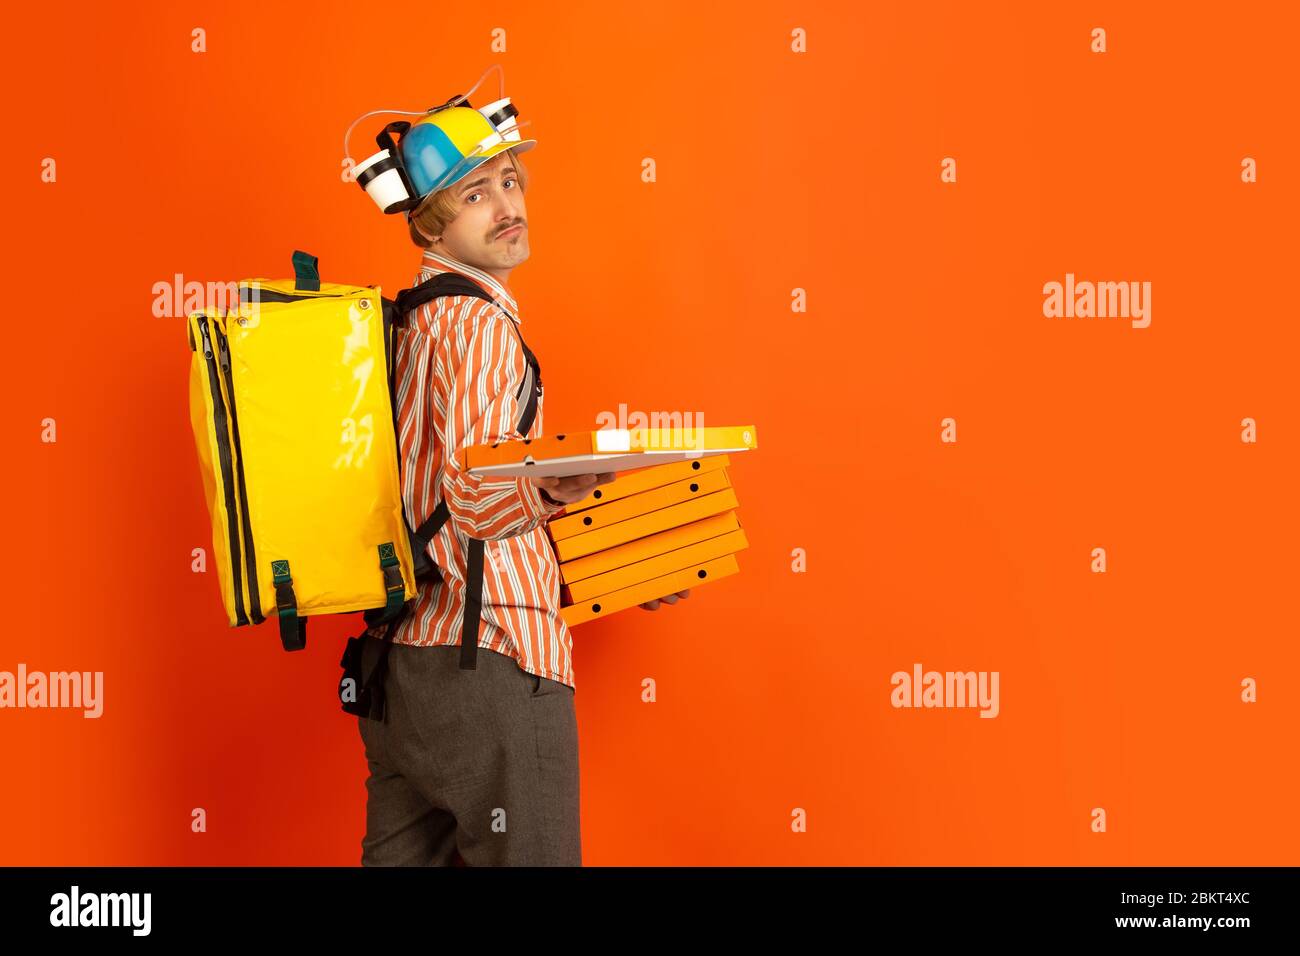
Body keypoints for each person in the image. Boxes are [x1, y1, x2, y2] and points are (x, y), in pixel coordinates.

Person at [355, 115, 689, 867]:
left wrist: (622, 557)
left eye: (509, 183)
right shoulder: (477, 327)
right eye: (474, 194)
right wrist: (559, 486)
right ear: (429, 225)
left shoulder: (416, 323)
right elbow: (476, 500)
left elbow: (431, 503)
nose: (507, 206)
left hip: (401, 671)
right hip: (495, 663)